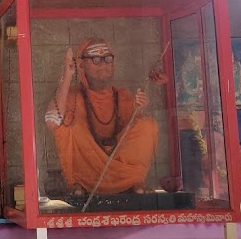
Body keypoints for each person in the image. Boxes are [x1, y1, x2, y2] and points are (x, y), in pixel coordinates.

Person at [44, 38, 159, 196]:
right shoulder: (73, 96)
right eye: (96, 59)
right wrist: (67, 77)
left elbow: (131, 136)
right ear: (81, 65)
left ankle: (133, 182)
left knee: (147, 126)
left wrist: (139, 109)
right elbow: (52, 122)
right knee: (70, 125)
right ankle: (80, 183)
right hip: (88, 170)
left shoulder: (123, 96)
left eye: (107, 58)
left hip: (120, 166)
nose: (103, 64)